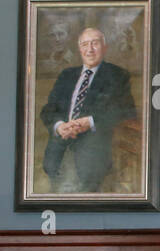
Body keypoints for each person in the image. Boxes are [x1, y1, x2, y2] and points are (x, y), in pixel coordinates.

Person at [40, 27, 136, 192]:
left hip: (94, 152)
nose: (89, 49)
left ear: (104, 48)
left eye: (95, 43)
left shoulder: (118, 75)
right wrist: (59, 126)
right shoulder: (66, 75)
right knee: (57, 198)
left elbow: (126, 111)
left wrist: (90, 122)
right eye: (85, 44)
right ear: (79, 49)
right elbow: (48, 110)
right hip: (58, 152)